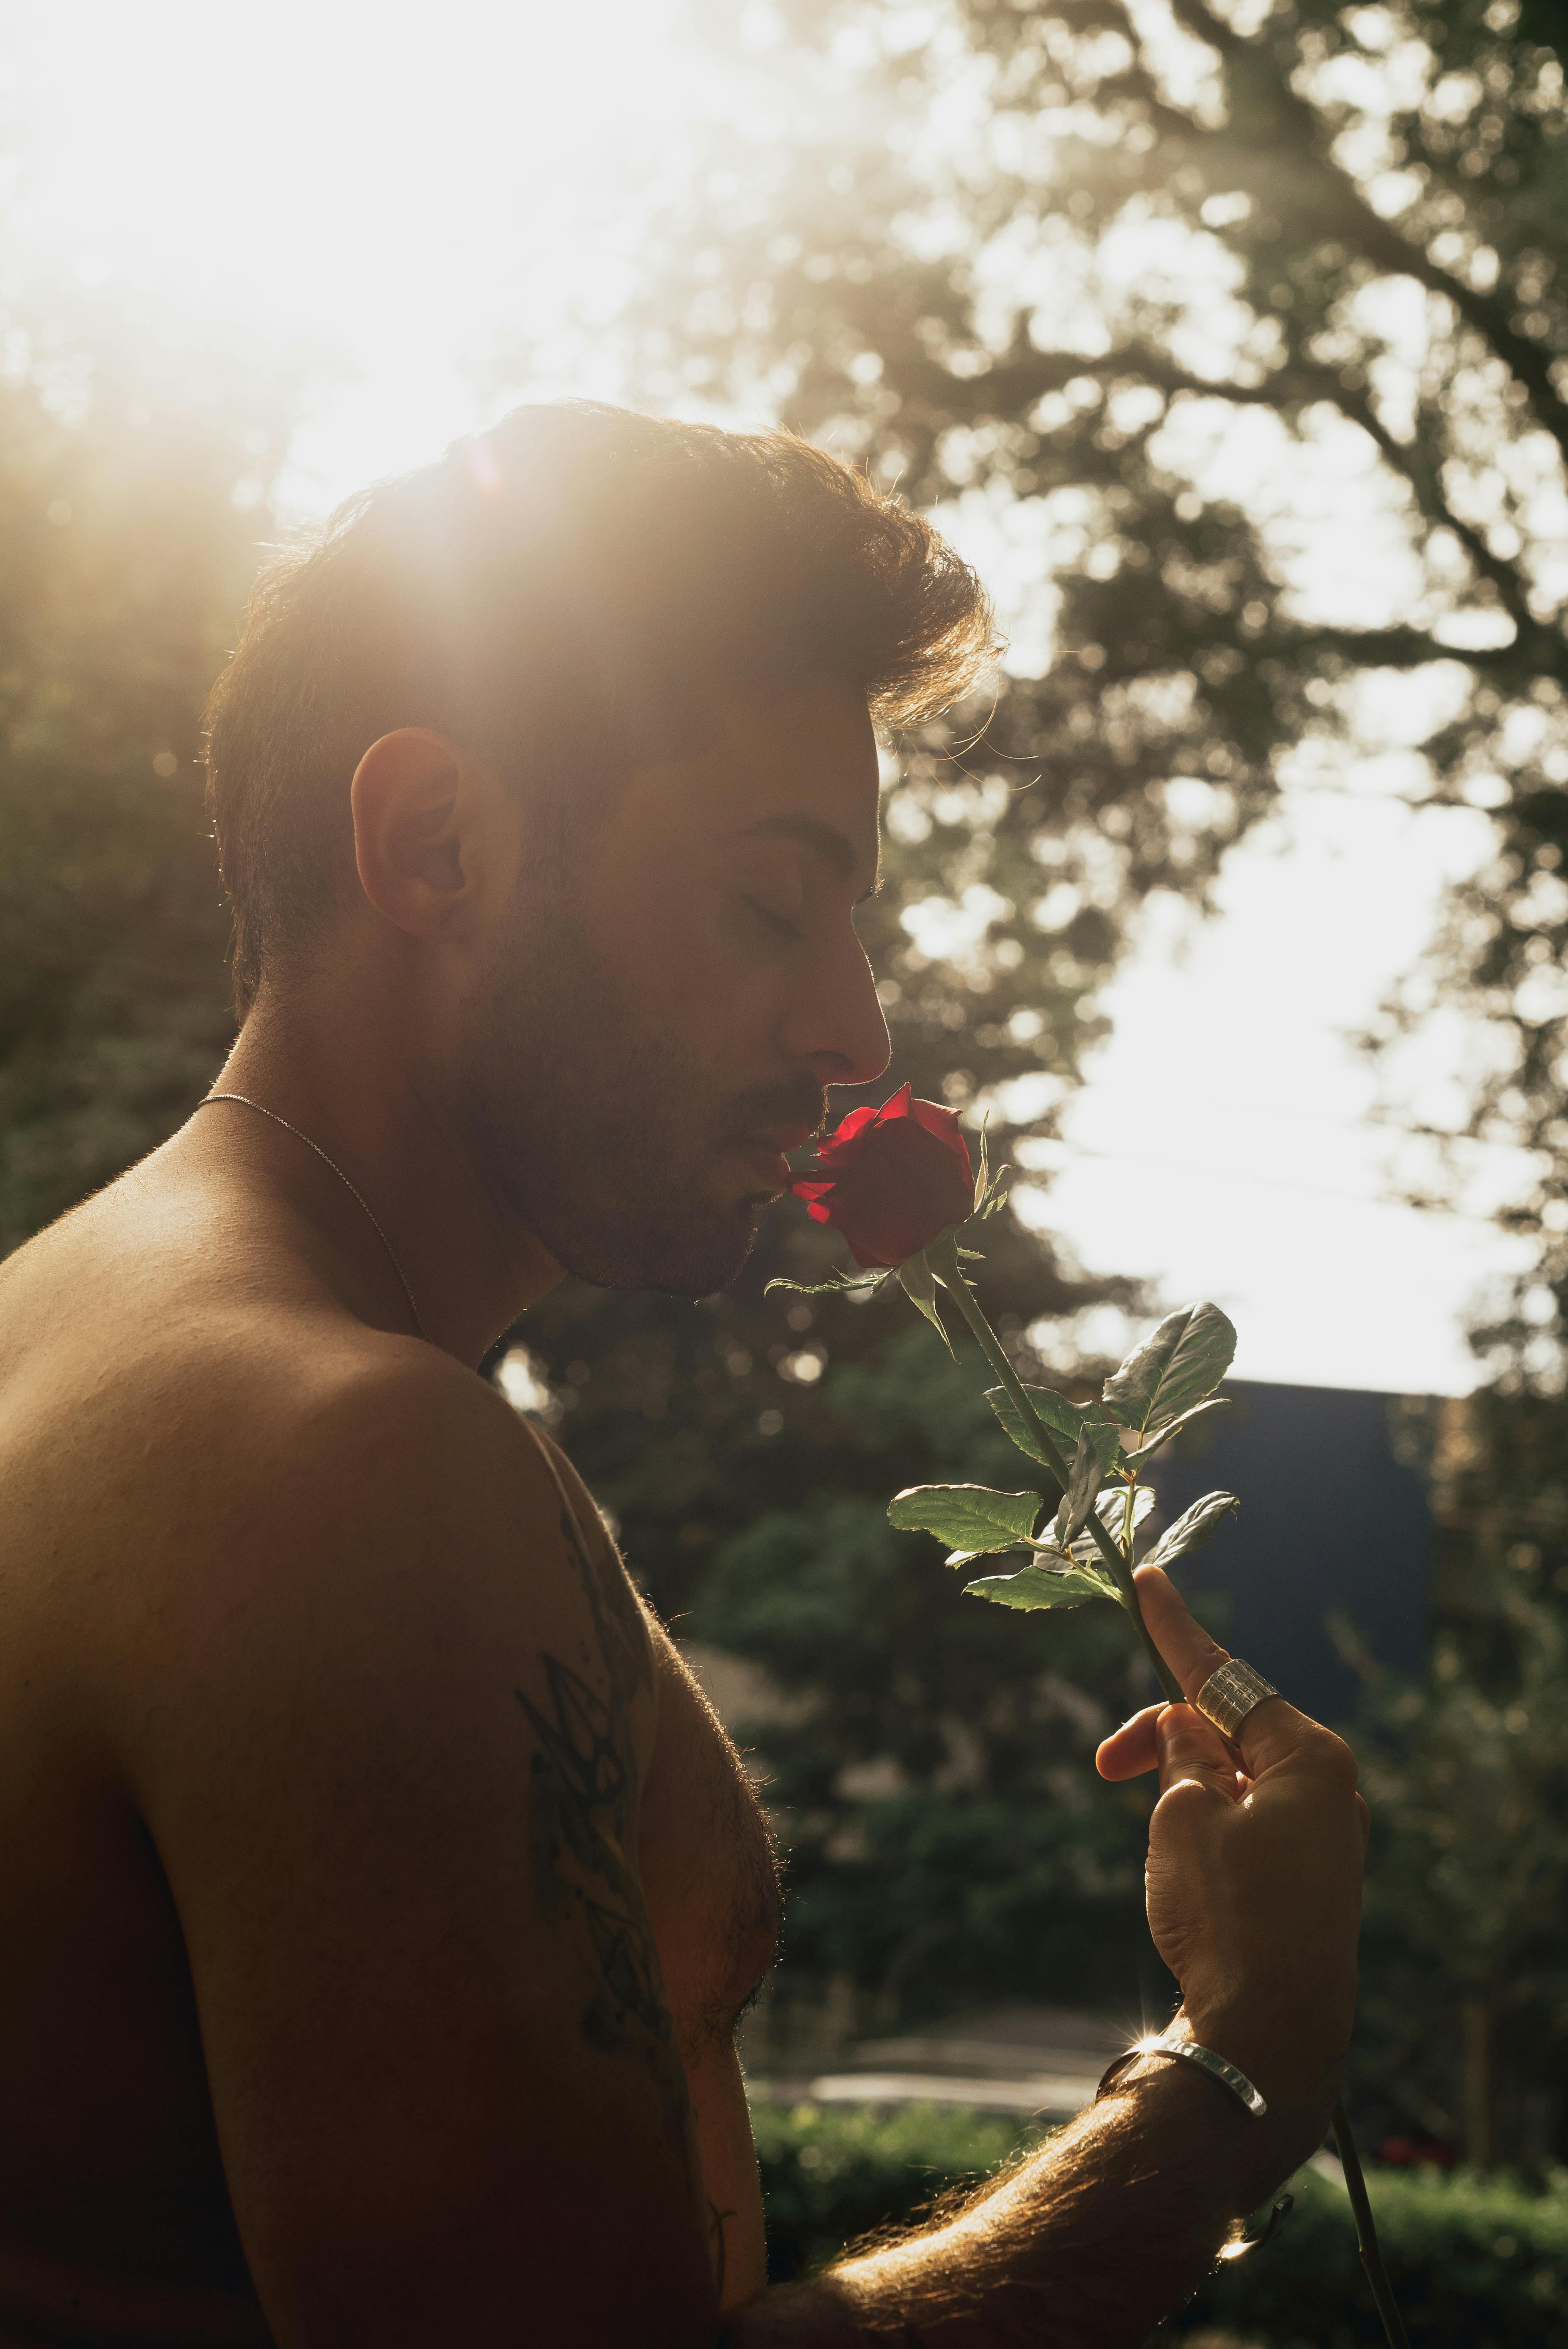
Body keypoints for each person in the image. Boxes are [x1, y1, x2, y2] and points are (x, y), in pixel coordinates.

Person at [0, 402, 1368, 2347]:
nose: (854, 1027)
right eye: (768, 900)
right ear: (438, 845)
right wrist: (1232, 2076)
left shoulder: (74, 1338)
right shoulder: (352, 1467)